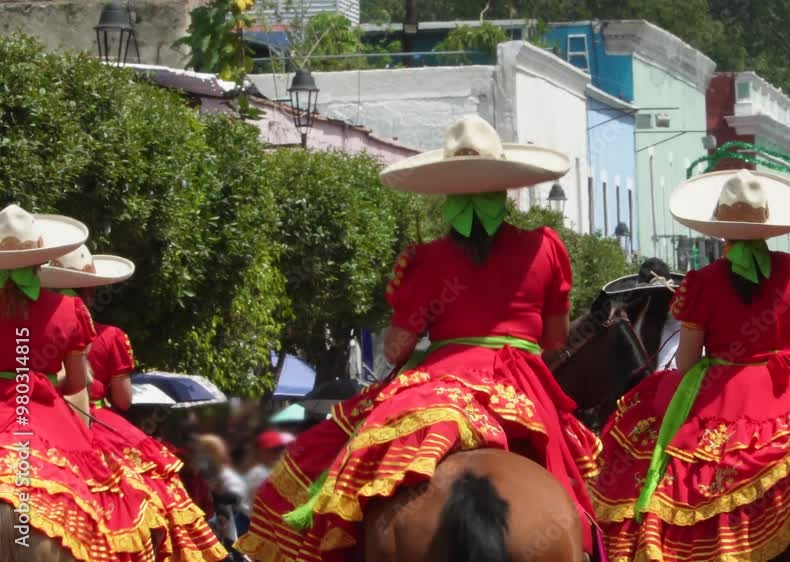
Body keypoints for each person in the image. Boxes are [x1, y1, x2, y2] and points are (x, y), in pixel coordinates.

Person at [236, 115, 601, 561]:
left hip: (439, 383)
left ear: (446, 195)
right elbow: (554, 339)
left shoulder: (425, 258)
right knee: (581, 484)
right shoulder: (546, 246)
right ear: (505, 190)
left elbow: (397, 350)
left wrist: (402, 301)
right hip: (523, 385)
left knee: (344, 474)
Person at [592, 170, 790, 561]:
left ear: (721, 229)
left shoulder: (702, 282)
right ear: (768, 223)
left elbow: (686, 361)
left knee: (655, 464)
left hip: (720, 393)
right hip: (786, 390)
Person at [38, 243, 228, 562]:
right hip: (91, 417)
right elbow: (124, 400)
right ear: (93, 288)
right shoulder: (111, 336)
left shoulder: (33, 321)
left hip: (29, 413)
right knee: (156, 490)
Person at [0, 204, 160, 560]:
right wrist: (39, 374)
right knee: (107, 500)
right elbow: (75, 384)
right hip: (45, 415)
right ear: (41, 261)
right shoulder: (69, 310)